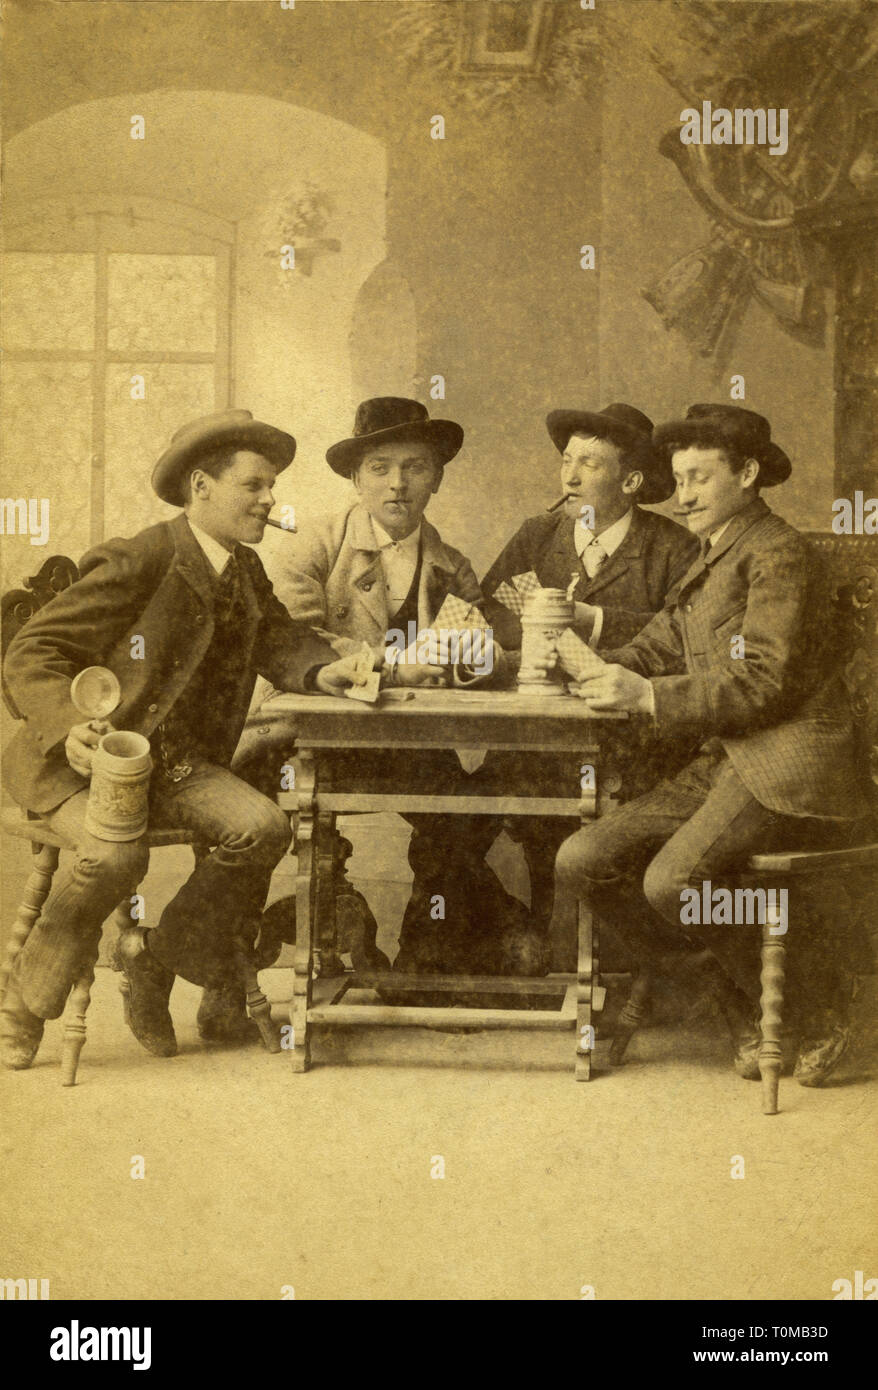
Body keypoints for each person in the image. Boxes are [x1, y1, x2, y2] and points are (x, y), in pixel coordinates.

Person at [0, 409, 354, 1069]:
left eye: (271, 485)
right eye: (254, 485)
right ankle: (25, 1000)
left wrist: (326, 668)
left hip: (177, 767)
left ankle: (153, 958)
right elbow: (31, 651)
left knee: (263, 827)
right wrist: (71, 729)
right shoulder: (142, 557)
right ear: (202, 487)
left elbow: (278, 639)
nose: (270, 499)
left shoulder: (244, 570)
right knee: (114, 860)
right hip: (81, 766)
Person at [551, 404, 871, 1085]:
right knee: (583, 859)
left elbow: (765, 679)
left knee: (673, 881)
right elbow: (659, 644)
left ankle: (826, 1009)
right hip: (727, 757)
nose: (684, 494)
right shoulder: (714, 553)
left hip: (789, 762)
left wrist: (649, 697)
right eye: (677, 478)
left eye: (699, 478)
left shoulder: (778, 554)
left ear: (749, 474)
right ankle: (744, 1001)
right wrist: (577, 669)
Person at [244, 396, 527, 977]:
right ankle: (497, 928)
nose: (397, 484)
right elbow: (295, 642)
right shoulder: (314, 544)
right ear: (355, 477)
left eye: (415, 467)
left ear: (437, 479)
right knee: (450, 813)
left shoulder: (450, 564)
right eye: (380, 467)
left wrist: (471, 658)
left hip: (401, 740)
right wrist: (394, 667)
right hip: (302, 738)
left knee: (463, 812)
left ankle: (429, 955)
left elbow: (488, 645)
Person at [472, 403, 698, 965]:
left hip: (636, 745)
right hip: (539, 738)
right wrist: (534, 639)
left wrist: (589, 624)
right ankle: (555, 956)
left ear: (632, 481)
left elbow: (687, 639)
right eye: (566, 461)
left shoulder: (673, 549)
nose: (568, 477)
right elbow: (487, 613)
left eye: (590, 464)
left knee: (607, 841)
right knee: (503, 819)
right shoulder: (538, 536)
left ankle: (615, 965)